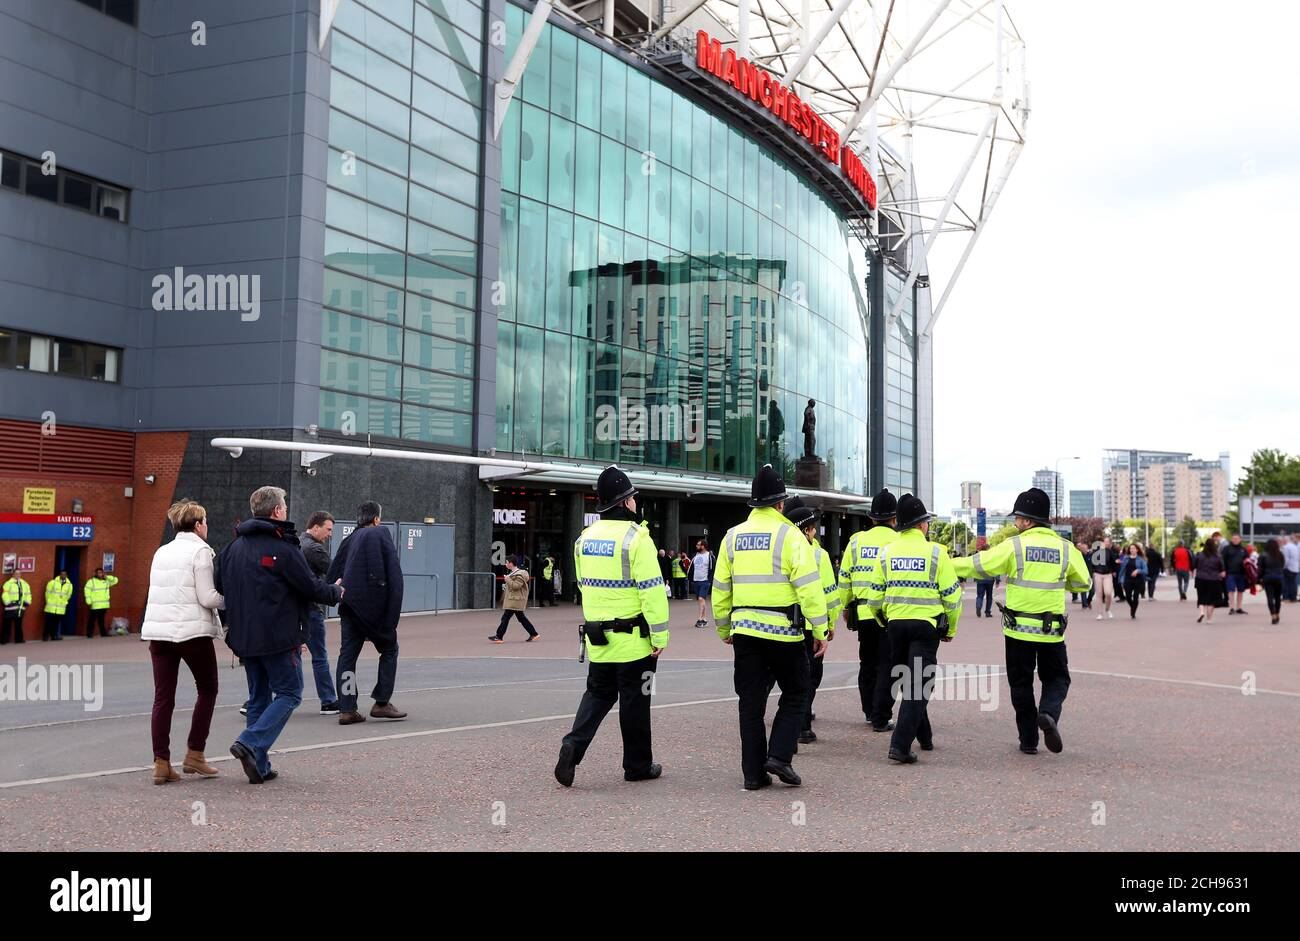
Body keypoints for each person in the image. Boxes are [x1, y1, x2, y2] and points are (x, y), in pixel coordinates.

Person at [713, 464, 828, 788]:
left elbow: (721, 588)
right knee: (796, 691)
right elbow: (809, 587)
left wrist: (724, 628)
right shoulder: (791, 536)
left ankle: (753, 775)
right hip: (783, 632)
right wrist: (819, 631)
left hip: (746, 633)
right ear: (780, 504)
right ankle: (778, 755)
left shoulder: (732, 537)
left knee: (750, 703)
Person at [951, 488, 1090, 755]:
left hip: (1017, 631)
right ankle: (1048, 713)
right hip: (1052, 633)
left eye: (1017, 518)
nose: (1015, 523)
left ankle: (1028, 741)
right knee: (1058, 679)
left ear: (1027, 521)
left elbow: (977, 566)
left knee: (1021, 684)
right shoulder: (1065, 548)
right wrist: (1064, 583)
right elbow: (1083, 582)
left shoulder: (1014, 546)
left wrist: (945, 565)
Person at [218, 486, 342, 783]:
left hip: (244, 637)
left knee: (259, 697)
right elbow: (309, 586)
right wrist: (336, 592)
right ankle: (251, 741)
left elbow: (220, 588)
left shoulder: (232, 548)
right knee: (289, 692)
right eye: (284, 505)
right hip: (277, 635)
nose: (286, 509)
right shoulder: (283, 547)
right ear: (276, 512)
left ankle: (258, 766)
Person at [555, 466, 669, 787]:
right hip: (635, 641)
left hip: (598, 638)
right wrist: (659, 636)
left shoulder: (583, 540)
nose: (635, 502)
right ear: (625, 502)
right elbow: (652, 593)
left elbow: (583, 587)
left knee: (597, 694)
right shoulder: (638, 539)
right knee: (636, 700)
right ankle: (637, 766)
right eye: (633, 497)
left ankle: (573, 746)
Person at [864, 493, 962, 764]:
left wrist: (884, 620)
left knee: (909, 680)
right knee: (919, 684)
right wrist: (950, 628)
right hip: (925, 628)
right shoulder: (936, 553)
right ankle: (900, 746)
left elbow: (874, 597)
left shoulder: (887, 553)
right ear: (921, 525)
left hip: (895, 626)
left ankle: (925, 737)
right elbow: (952, 598)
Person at [141, 500, 225, 785]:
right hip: (192, 633)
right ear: (199, 524)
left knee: (163, 697)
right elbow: (207, 597)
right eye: (205, 521)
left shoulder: (161, 551)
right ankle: (195, 754)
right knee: (208, 689)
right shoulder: (201, 551)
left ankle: (161, 763)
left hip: (158, 633)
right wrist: (232, 601)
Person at [328, 502, 407, 724]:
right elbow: (394, 576)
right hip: (374, 608)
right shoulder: (381, 534)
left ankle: (347, 708)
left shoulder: (349, 540)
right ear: (376, 519)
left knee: (347, 657)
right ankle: (382, 701)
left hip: (349, 606)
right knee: (390, 649)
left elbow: (332, 575)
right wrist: (392, 616)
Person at [837, 489, 899, 732]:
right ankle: (881, 715)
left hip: (862, 613)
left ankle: (868, 710)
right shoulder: (898, 541)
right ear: (895, 518)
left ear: (872, 518)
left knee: (867, 662)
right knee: (888, 665)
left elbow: (845, 577)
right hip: (888, 614)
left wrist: (845, 605)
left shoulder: (856, 541)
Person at [783, 496, 840, 745]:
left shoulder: (781, 547)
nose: (816, 531)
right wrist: (829, 624)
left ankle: (796, 721)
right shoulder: (819, 555)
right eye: (813, 527)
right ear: (807, 530)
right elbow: (829, 594)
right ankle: (802, 725)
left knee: (791, 676)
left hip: (785, 624)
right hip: (811, 626)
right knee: (810, 677)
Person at [299, 512, 340, 715]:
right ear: (315, 527)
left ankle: (257, 700)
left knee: (289, 654)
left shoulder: (297, 543)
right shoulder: (314, 549)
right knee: (319, 655)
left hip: (294, 609)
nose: (329, 534)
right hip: (311, 609)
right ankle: (328, 700)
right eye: (328, 529)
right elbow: (335, 573)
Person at [490, 555, 539, 642]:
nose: (506, 564)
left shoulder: (519, 574)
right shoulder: (513, 573)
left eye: (507, 562)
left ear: (511, 564)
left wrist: (508, 579)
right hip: (514, 600)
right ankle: (534, 633)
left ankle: (499, 636)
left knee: (505, 618)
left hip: (515, 600)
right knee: (521, 618)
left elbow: (516, 586)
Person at [1193, 535, 1226, 624]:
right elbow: (1222, 569)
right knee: (1212, 600)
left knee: (1201, 598)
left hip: (1200, 578)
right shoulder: (1218, 556)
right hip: (1214, 579)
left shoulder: (1199, 555)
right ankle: (1209, 619)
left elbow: (1194, 565)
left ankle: (1201, 612)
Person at [82, 568, 119, 638]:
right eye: (98, 573)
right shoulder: (91, 582)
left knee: (101, 620)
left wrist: (107, 577)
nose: (100, 574)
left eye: (101, 573)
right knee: (92, 620)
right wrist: (88, 600)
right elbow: (87, 591)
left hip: (104, 605)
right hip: (95, 605)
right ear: (95, 573)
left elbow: (116, 580)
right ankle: (89, 634)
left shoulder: (106, 581)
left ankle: (103, 633)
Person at [1090, 537, 1119, 620]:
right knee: (1099, 594)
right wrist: (1092, 574)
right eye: (1105, 541)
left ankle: (1108, 609)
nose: (1106, 543)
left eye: (1107, 542)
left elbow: (1113, 562)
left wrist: (1114, 571)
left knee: (1108, 593)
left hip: (1107, 574)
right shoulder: (1096, 551)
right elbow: (1092, 563)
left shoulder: (1110, 552)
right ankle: (1100, 613)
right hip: (1097, 574)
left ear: (1109, 544)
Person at [1258, 539, 1286, 624]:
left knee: (1269, 598)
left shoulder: (1263, 555)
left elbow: (1260, 569)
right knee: (1278, 598)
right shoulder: (1280, 554)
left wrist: (1259, 580)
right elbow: (1283, 565)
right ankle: (1277, 614)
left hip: (1268, 577)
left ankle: (1273, 615)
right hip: (1279, 577)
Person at [1117, 544, 1147, 620]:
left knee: (1136, 597)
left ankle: (1133, 612)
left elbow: (1145, 571)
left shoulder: (1141, 559)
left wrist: (1138, 570)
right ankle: (1133, 607)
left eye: (1133, 548)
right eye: (1130, 549)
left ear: (1137, 550)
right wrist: (1119, 579)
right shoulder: (1126, 558)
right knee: (1128, 596)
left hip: (1138, 580)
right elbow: (1122, 569)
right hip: (1128, 580)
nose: (1132, 550)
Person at [2, 571, 32, 644]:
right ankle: (4, 640)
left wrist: (27, 602)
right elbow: (4, 594)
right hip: (10, 607)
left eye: (19, 573)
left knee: (18, 624)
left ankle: (19, 639)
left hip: (20, 608)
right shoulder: (8, 583)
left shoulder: (25, 584)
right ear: (13, 574)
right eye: (16, 573)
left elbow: (29, 594)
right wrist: (8, 602)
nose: (18, 575)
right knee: (7, 624)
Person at [1222, 534, 1248, 615]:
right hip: (1230, 573)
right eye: (1233, 538)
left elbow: (1248, 561)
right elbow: (1222, 560)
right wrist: (1223, 570)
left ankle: (1239, 608)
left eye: (1237, 538)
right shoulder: (1227, 549)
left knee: (1240, 591)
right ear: (1231, 539)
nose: (1235, 540)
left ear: (1240, 539)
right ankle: (1232, 608)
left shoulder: (1243, 549)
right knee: (1231, 590)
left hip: (1241, 573)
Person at [42, 571, 73, 641]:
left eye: (65, 574)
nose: (63, 575)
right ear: (59, 575)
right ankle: (45, 636)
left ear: (67, 575)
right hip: (51, 606)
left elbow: (69, 595)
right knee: (48, 622)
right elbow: (47, 592)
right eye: (62, 574)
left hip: (60, 607)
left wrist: (65, 601)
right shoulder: (52, 582)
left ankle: (54, 636)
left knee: (56, 623)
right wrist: (48, 601)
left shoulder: (69, 585)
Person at [690, 539, 714, 628]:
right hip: (696, 580)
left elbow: (713, 568)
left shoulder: (709, 556)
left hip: (705, 581)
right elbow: (691, 567)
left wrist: (709, 581)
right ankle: (705, 619)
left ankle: (699, 619)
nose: (696, 546)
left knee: (701, 599)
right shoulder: (695, 555)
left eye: (698, 545)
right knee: (701, 600)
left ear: (703, 546)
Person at [973, 538, 996, 618]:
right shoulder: (991, 557)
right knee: (989, 596)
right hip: (990, 579)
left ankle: (978, 605)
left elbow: (974, 566)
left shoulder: (978, 556)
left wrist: (975, 577)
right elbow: (995, 567)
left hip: (980, 579)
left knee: (980, 595)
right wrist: (998, 579)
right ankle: (987, 612)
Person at [1284, 533, 1300, 602]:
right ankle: (1293, 597)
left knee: (1290, 583)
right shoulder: (1295, 546)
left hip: (1291, 567)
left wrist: (1284, 566)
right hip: (1296, 567)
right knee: (1293, 583)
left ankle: (1289, 597)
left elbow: (1286, 559)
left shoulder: (1289, 547)